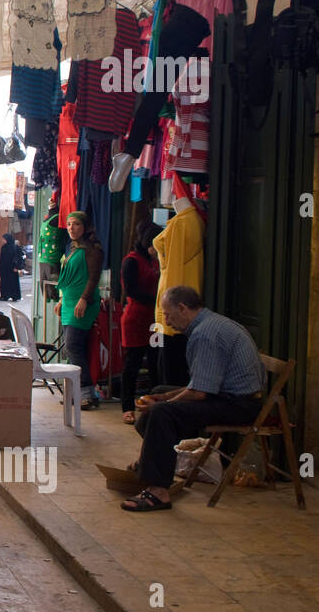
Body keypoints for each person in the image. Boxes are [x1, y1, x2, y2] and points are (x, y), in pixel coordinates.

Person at [122, 286, 265, 512]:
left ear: (183, 308)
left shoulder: (205, 333)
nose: (166, 322)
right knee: (159, 391)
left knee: (162, 413)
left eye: (168, 314)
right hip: (225, 395)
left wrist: (163, 404)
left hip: (239, 405)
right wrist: (163, 396)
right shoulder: (209, 324)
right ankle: (151, 461)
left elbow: (199, 392)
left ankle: (158, 492)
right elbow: (199, 385)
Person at [56, 210, 104, 410]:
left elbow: (93, 278)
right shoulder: (72, 248)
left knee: (73, 346)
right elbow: (67, 276)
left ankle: (86, 392)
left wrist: (84, 299)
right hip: (68, 303)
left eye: (76, 224)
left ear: (85, 227)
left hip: (83, 303)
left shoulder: (93, 249)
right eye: (69, 224)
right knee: (73, 349)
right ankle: (78, 392)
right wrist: (61, 299)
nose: (71, 228)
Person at [121, 221, 162, 425]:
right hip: (136, 320)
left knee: (156, 363)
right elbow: (131, 291)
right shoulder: (132, 261)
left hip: (156, 322)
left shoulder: (156, 261)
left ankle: (153, 407)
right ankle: (127, 407)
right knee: (132, 365)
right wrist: (156, 301)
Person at [0, 232, 23, 301]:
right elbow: (2, 259)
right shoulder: (3, 247)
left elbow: (19, 257)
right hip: (4, 269)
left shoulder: (15, 247)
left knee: (13, 283)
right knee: (4, 283)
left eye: (4, 239)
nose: (2, 240)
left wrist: (17, 267)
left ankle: (14, 296)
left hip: (12, 269)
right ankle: (4, 296)